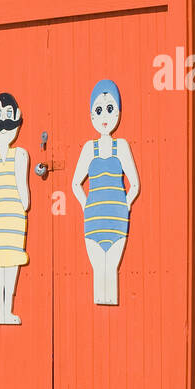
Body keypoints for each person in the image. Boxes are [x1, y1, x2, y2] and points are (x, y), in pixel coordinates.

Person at [70, 78, 139, 305]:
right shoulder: (90, 149)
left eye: (110, 109)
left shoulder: (122, 147)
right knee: (99, 267)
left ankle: (110, 303)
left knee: (112, 268)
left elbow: (135, 184)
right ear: (92, 115)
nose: (104, 116)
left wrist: (125, 205)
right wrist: (86, 204)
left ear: (117, 111)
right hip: (94, 219)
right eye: (98, 110)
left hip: (118, 219)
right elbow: (75, 183)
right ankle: (101, 303)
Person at [0, 92, 30, 324]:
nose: (3, 122)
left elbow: (23, 188)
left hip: (12, 214)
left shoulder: (20, 154)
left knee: (10, 260)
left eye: (8, 114)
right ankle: (0, 310)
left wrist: (23, 205)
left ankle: (7, 310)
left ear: (17, 117)